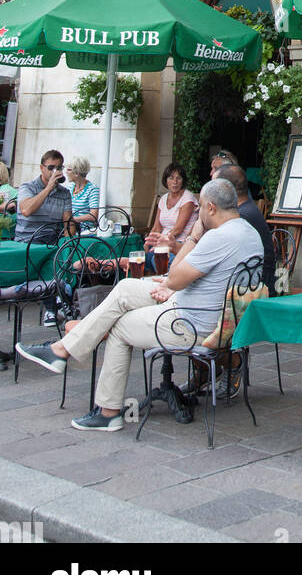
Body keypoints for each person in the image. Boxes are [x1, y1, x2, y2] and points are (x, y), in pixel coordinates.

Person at [15, 178, 263, 432]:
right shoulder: (249, 233)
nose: (198, 213)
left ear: (211, 208)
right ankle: (61, 351)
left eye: (200, 208)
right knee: (124, 289)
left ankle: (108, 412)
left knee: (120, 325)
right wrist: (169, 285)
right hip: (204, 312)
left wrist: (194, 237)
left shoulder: (216, 238)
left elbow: (176, 276)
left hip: (190, 324)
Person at [214, 162, 275, 294]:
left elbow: (216, 257)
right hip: (252, 281)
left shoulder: (241, 216)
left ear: (226, 190)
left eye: (213, 188)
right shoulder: (247, 208)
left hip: (252, 289)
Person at [143, 164, 198, 265]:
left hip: (180, 243)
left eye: (179, 178)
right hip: (163, 241)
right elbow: (156, 227)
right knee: (142, 258)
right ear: (166, 180)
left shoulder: (188, 199)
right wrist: (148, 241)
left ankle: (162, 280)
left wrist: (161, 242)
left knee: (156, 260)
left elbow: (178, 229)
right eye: (171, 178)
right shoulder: (163, 199)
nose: (175, 182)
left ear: (183, 180)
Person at [14, 150, 72, 243]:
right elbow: (26, 210)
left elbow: (68, 223)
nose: (55, 171)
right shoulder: (28, 187)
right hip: (27, 241)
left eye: (59, 168)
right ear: (42, 168)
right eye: (51, 168)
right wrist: (48, 188)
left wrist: (70, 244)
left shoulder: (64, 193)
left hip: (52, 242)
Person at [67, 158, 100, 235]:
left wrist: (72, 220)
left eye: (69, 170)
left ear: (76, 173)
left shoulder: (92, 189)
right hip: (69, 229)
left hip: (84, 232)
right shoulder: (69, 187)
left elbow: (93, 215)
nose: (66, 172)